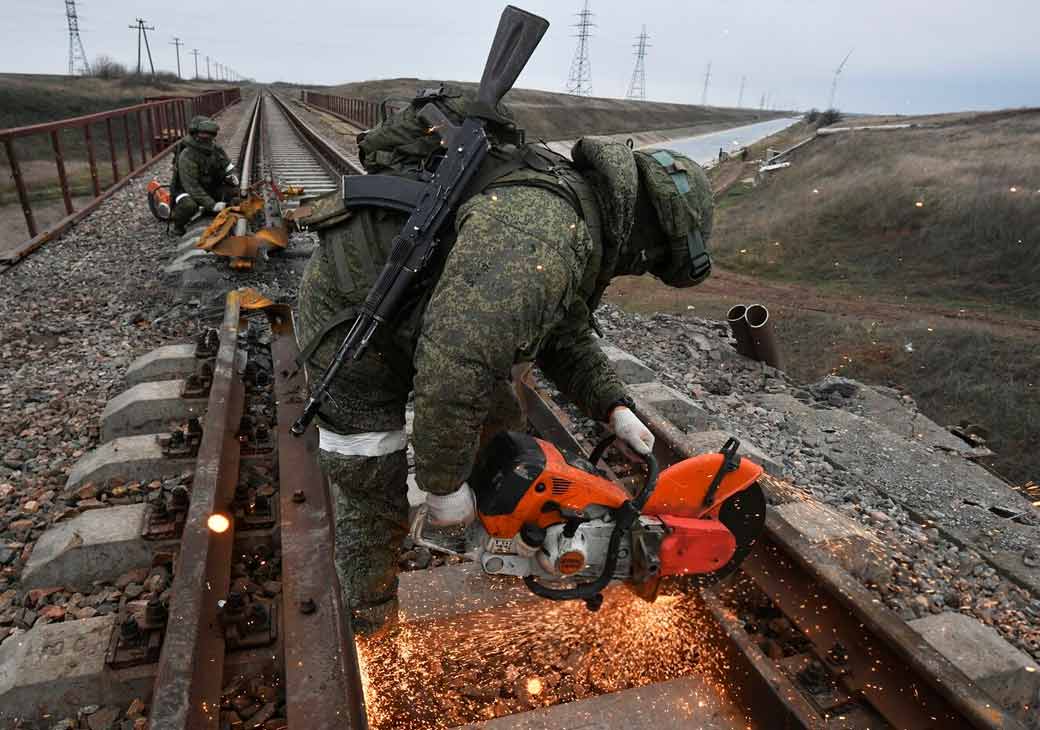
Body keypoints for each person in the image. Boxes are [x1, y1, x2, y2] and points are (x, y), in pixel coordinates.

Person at [296, 85, 714, 634]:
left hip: (428, 312)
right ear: (647, 237)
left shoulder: (575, 212)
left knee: (504, 438)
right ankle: (371, 627)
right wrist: (443, 487)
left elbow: (560, 329)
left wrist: (612, 405)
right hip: (354, 322)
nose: (636, 271)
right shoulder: (543, 230)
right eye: (649, 264)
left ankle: (497, 548)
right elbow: (453, 371)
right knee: (371, 476)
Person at [170, 115, 238, 236]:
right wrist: (212, 205)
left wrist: (232, 176)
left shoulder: (215, 149)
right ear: (195, 134)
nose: (208, 138)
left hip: (209, 186)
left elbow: (228, 167)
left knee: (235, 193)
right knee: (189, 205)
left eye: (211, 134)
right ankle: (178, 226)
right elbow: (192, 187)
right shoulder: (187, 155)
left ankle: (210, 212)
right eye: (204, 134)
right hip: (185, 191)